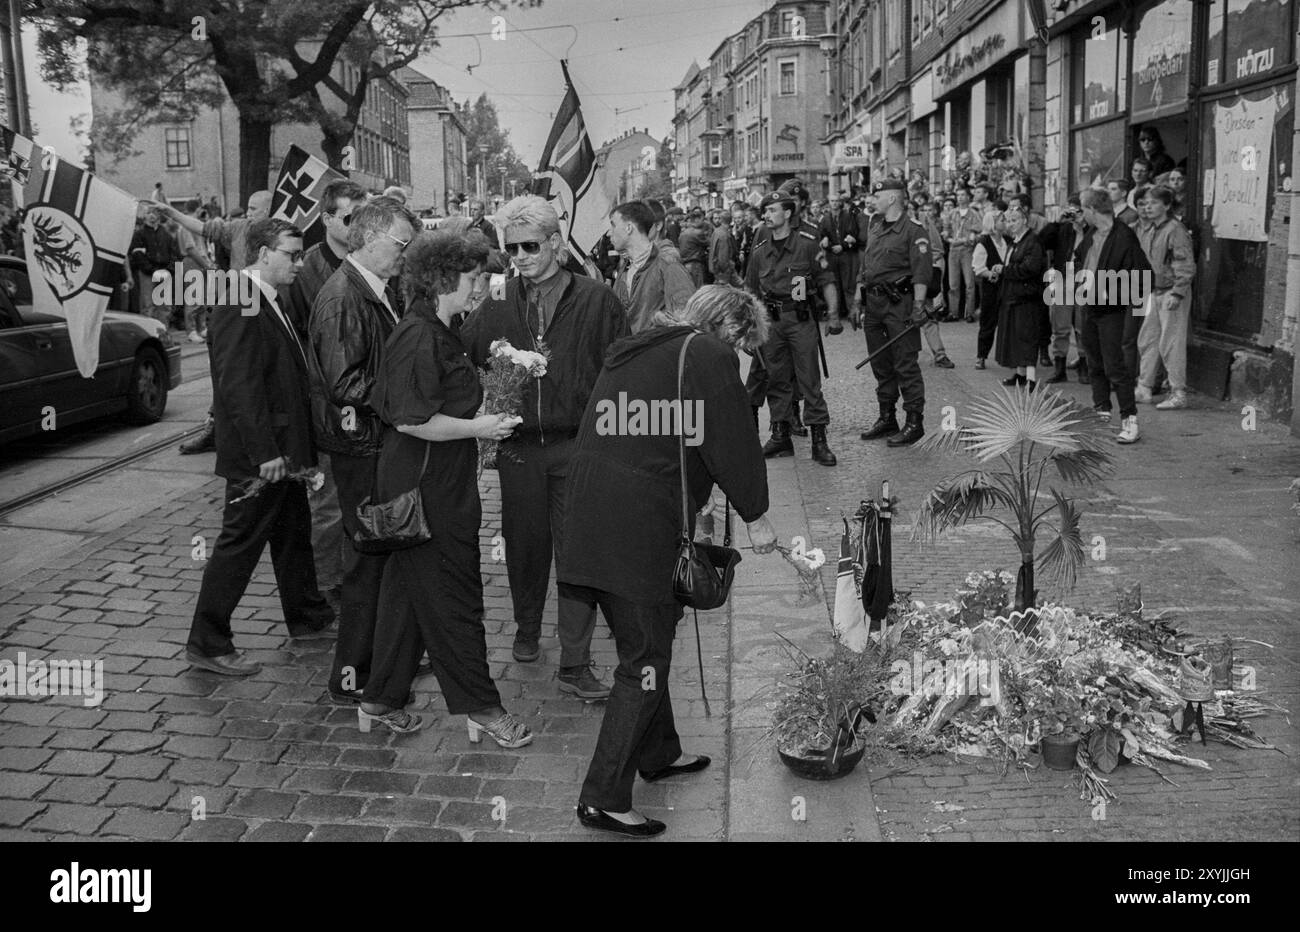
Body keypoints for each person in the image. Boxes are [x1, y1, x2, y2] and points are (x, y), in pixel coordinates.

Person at [559, 284, 777, 837]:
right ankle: (603, 798)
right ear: (730, 329)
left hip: (591, 516)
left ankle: (658, 753)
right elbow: (730, 439)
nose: (744, 354)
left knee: (650, 638)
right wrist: (758, 517)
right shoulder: (708, 353)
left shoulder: (644, 347)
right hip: (638, 526)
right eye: (745, 342)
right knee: (645, 660)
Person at [356, 230, 531, 744]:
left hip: (436, 479)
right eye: (475, 276)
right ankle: (482, 706)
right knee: (455, 594)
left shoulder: (440, 328)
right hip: (424, 487)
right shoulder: (420, 335)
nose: (482, 285)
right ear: (444, 279)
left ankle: (379, 698)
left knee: (409, 594)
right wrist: (481, 428)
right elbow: (411, 419)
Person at [460, 195, 628, 695]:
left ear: (556, 243)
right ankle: (527, 628)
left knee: (577, 552)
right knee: (526, 548)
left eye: (530, 246)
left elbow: (621, 374)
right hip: (519, 450)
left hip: (578, 445)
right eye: (512, 248)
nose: (521, 256)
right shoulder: (497, 300)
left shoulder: (597, 299)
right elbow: (460, 352)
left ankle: (575, 661)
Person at [184, 219, 334, 676]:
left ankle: (308, 618)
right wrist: (265, 452)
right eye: (291, 254)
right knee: (240, 544)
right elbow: (239, 386)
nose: (300, 263)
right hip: (261, 458)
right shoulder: (238, 301)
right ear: (263, 254)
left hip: (284, 450)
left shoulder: (270, 298)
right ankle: (208, 641)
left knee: (292, 536)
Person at [308, 197, 417, 702]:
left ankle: (380, 659)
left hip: (374, 444)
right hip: (360, 449)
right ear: (371, 238)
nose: (405, 252)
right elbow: (344, 382)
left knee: (381, 558)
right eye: (400, 243)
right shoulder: (343, 297)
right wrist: (408, 394)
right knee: (366, 564)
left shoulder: (373, 287)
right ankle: (351, 676)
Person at [281, 180, 368, 611]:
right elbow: (293, 340)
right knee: (328, 503)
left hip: (364, 404)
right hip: (324, 404)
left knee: (359, 500)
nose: (358, 228)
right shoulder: (308, 269)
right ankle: (323, 587)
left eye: (363, 219)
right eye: (350, 218)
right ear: (328, 218)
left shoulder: (370, 262)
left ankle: (351, 577)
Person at [164, 190, 273, 456]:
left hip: (267, 309)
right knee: (225, 370)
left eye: (254, 209)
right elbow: (204, 228)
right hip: (238, 307)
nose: (249, 213)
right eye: (248, 208)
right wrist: (172, 213)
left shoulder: (280, 233)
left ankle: (257, 437)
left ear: (270, 210)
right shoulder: (238, 229)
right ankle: (216, 427)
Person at [746, 190, 839, 466]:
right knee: (776, 379)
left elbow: (826, 279)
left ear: (787, 213)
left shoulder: (807, 245)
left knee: (809, 379)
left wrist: (833, 314)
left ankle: (819, 440)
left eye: (772, 210)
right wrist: (749, 330)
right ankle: (780, 435)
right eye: (765, 211)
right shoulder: (760, 252)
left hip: (800, 320)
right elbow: (750, 293)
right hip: (771, 322)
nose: (766, 215)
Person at [854, 178, 931, 447]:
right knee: (880, 363)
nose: (871, 199)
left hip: (900, 305)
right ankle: (887, 417)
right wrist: (857, 299)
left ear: (893, 199)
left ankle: (914, 421)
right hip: (874, 304)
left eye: (877, 195)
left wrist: (919, 306)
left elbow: (922, 271)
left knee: (904, 362)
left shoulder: (913, 230)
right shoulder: (875, 226)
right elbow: (867, 266)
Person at [1074, 188, 1152, 444]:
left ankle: (1130, 420)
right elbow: (1080, 262)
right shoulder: (1090, 234)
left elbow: (1143, 277)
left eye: (1083, 209)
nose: (1081, 214)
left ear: (1093, 210)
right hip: (1089, 307)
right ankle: (1101, 410)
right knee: (1094, 362)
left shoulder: (1124, 237)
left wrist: (1109, 292)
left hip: (1111, 311)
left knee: (1115, 367)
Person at [1135, 185, 1195, 410]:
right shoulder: (1153, 229)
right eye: (1146, 203)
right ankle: (1144, 387)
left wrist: (1178, 292)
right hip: (1155, 290)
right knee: (1148, 339)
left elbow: (1185, 263)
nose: (1148, 207)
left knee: (1171, 343)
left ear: (1167, 205)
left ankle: (1178, 392)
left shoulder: (1174, 230)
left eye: (1154, 203)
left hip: (1171, 292)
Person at [608, 200, 694, 333]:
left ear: (629, 227)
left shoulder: (668, 265)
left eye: (613, 225)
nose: (609, 233)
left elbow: (688, 319)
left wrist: (659, 321)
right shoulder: (625, 267)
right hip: (628, 351)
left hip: (654, 351)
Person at [993, 201, 1049, 388]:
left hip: (1027, 297)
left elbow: (1030, 268)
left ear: (1025, 220)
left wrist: (1005, 270)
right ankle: (1019, 374)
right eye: (1008, 221)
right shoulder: (1016, 241)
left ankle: (1031, 378)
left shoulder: (1032, 241)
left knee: (1026, 337)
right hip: (1013, 296)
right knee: (1014, 337)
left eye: (1014, 220)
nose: (1010, 224)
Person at [1038, 195, 1087, 384]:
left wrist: (1083, 226)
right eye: (1070, 210)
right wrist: (1056, 222)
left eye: (1078, 211)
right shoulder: (1062, 229)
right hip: (1063, 277)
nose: (1073, 215)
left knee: (1082, 326)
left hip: (1084, 278)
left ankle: (1084, 366)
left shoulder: (1091, 229)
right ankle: (1059, 367)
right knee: (1060, 326)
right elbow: (1041, 241)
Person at [913, 200, 954, 369]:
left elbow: (937, 251)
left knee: (928, 317)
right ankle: (907, 356)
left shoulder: (924, 223)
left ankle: (940, 354)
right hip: (900, 279)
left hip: (922, 279)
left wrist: (937, 285)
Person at [128, 204, 182, 327]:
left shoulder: (167, 234)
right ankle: (150, 334)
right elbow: (137, 254)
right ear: (144, 216)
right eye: (149, 213)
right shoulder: (139, 234)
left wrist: (169, 269)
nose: (152, 216)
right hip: (147, 274)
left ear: (159, 216)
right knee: (148, 306)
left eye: (155, 213)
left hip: (165, 272)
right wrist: (150, 269)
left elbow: (174, 253)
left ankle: (164, 333)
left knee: (165, 306)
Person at [972, 205, 1009, 370]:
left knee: (1008, 322)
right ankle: (981, 356)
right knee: (988, 322)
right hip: (991, 288)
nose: (1005, 222)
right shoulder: (984, 242)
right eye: (1002, 220)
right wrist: (989, 274)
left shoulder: (1007, 240)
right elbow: (978, 267)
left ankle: (1007, 355)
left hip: (1007, 286)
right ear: (992, 223)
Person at [175, 200, 215, 343]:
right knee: (193, 297)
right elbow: (191, 248)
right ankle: (191, 330)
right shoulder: (187, 225)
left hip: (200, 262)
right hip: (192, 262)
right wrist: (206, 264)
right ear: (197, 209)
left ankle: (201, 327)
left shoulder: (194, 224)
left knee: (202, 297)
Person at [708, 208, 742, 287]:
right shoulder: (724, 235)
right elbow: (723, 259)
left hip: (717, 270)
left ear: (720, 220)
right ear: (731, 220)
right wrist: (728, 271)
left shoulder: (717, 231)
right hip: (723, 273)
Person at [677, 213, 710, 288]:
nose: (704, 222)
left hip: (685, 264)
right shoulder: (697, 233)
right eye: (703, 220)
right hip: (695, 264)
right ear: (697, 220)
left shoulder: (683, 233)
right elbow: (709, 243)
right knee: (697, 288)